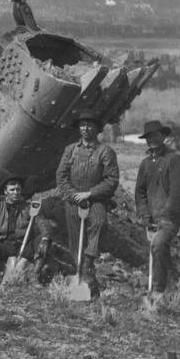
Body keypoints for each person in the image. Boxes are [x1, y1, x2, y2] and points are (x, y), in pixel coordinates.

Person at [53, 109, 119, 299]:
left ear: (97, 129)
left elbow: (111, 180)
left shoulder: (105, 151)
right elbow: (61, 175)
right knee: (75, 240)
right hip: (73, 201)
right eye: (82, 125)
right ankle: (84, 278)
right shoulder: (71, 150)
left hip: (95, 200)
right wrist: (73, 195)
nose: (86, 128)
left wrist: (89, 193)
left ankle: (89, 261)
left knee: (99, 223)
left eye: (90, 125)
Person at [134, 120, 180, 298]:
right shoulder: (145, 163)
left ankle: (158, 291)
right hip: (151, 217)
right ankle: (171, 277)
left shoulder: (174, 160)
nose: (152, 140)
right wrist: (144, 214)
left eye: (156, 136)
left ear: (163, 137)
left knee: (157, 245)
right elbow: (140, 191)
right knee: (157, 248)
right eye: (149, 137)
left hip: (170, 217)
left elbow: (178, 193)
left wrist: (166, 214)